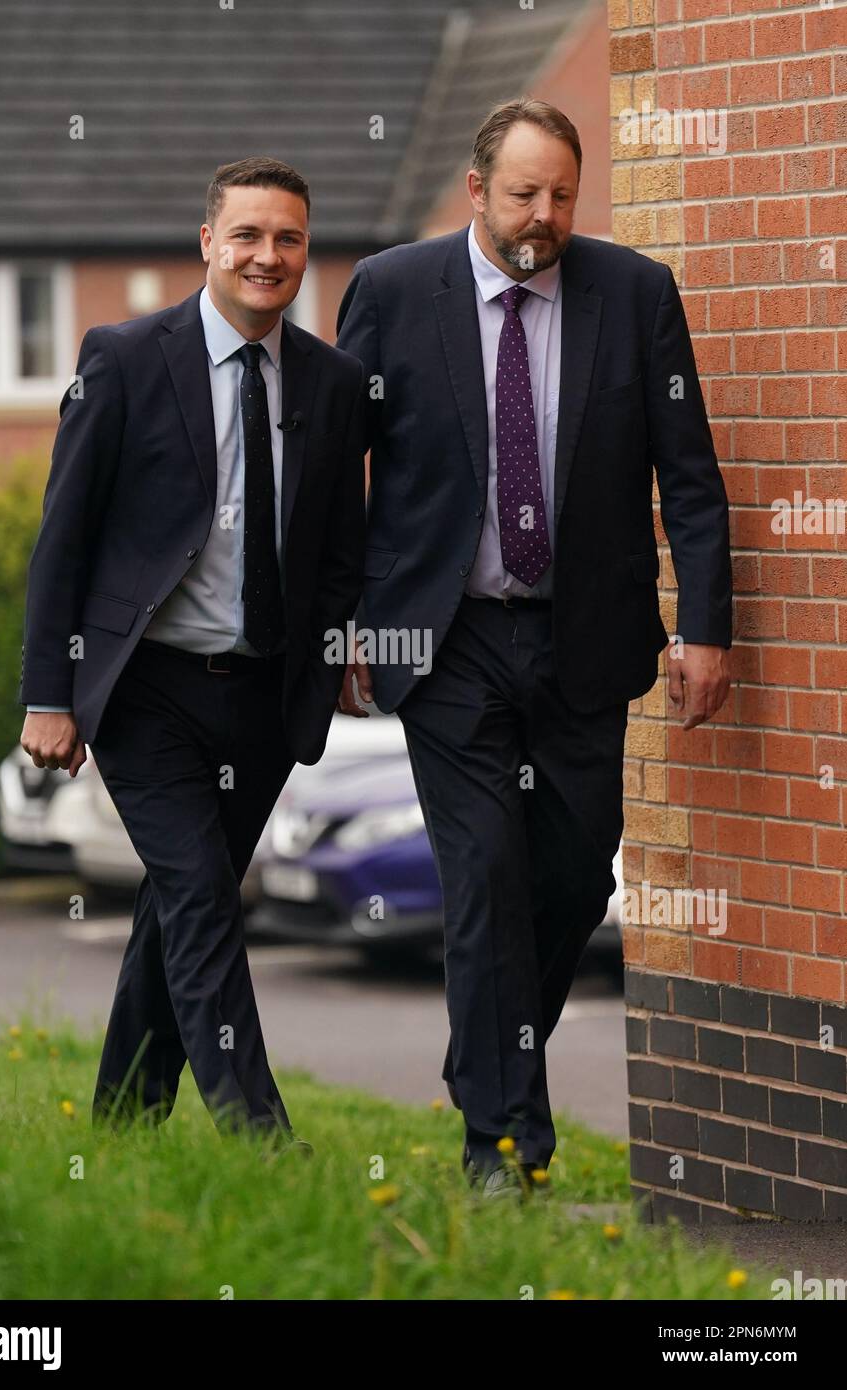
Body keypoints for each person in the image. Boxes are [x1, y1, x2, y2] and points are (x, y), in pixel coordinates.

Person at [335, 99, 732, 1198]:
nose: (544, 214)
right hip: (448, 637)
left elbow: (687, 475)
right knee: (484, 875)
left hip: (583, 643)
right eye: (522, 193)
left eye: (562, 192)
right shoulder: (392, 291)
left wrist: (705, 625)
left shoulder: (635, 294)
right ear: (474, 191)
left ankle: (488, 1054)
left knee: (565, 877)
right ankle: (503, 1147)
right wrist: (347, 622)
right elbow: (331, 479)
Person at [19, 157, 366, 1146]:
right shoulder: (124, 357)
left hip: (260, 699)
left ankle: (122, 1126)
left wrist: (336, 650)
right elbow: (64, 539)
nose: (268, 256)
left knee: (179, 907)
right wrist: (52, 693)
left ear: (306, 251)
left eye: (288, 238)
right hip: (146, 694)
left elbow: (341, 548)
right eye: (248, 235)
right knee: (207, 896)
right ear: (208, 242)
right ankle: (260, 1138)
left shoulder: (334, 385)